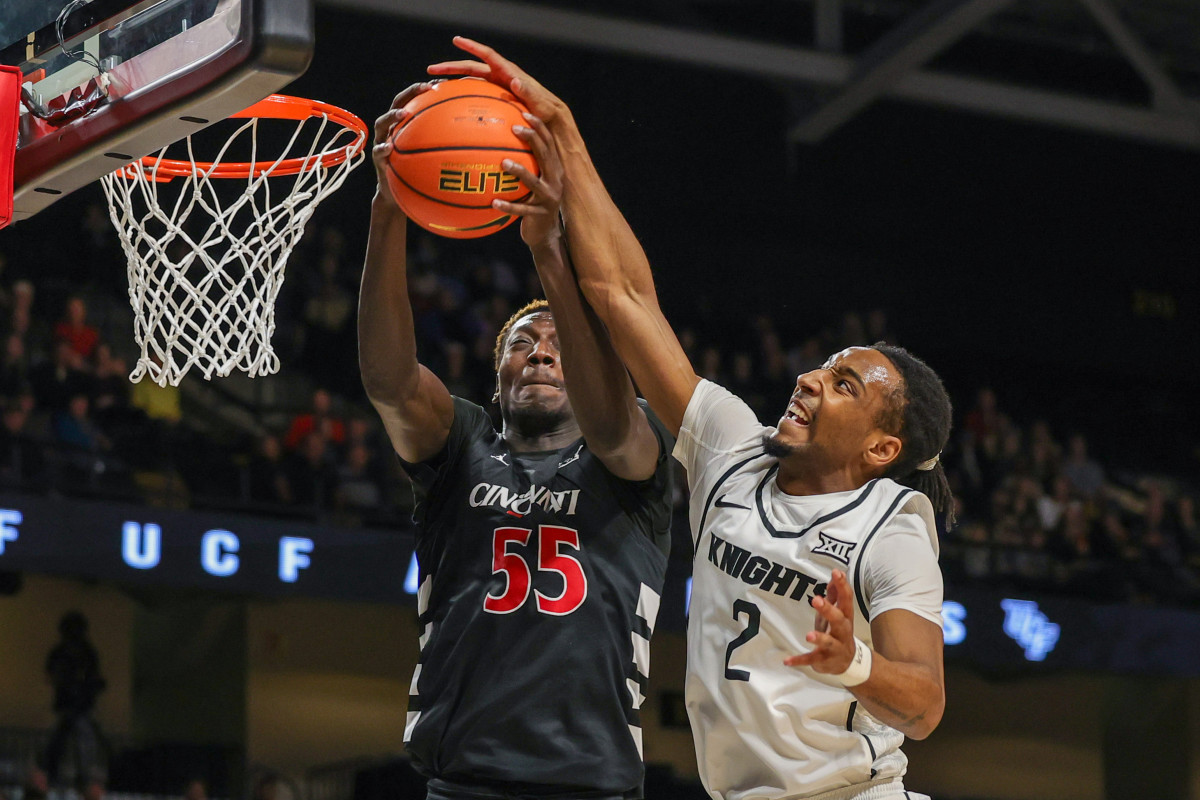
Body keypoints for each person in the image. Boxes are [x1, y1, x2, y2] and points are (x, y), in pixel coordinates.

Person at [429, 39, 954, 800]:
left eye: (843, 385)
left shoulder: (890, 523)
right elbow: (623, 297)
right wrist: (567, 135)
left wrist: (856, 664)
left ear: (882, 446)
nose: (808, 379)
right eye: (823, 367)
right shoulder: (733, 451)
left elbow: (927, 705)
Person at [357, 81, 674, 800]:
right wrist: (388, 210)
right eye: (521, 343)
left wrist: (549, 253)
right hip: (461, 781)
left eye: (558, 345)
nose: (539, 352)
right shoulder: (463, 442)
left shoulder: (635, 456)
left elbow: (612, 420)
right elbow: (390, 382)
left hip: (589, 784)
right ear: (496, 379)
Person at [43, 612, 109, 797]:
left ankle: (78, 778)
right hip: (69, 706)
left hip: (80, 707)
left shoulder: (86, 652)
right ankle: (58, 775)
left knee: (80, 741)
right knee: (65, 740)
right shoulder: (63, 652)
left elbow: (93, 677)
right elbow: (50, 676)